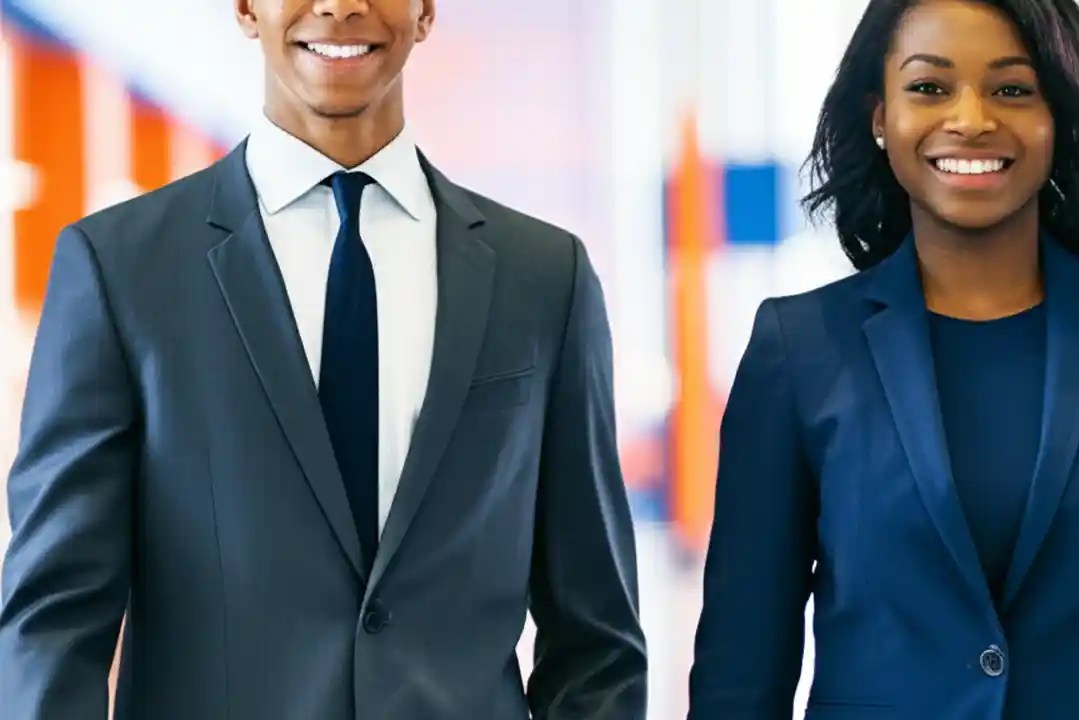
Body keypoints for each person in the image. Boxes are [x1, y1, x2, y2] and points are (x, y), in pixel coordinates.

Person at [0, 0, 646, 717]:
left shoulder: (544, 278)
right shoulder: (119, 270)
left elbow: (596, 639)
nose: (340, 6)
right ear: (247, 8)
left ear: (427, 10)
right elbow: (54, 621)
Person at [688, 0, 1079, 717]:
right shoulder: (799, 350)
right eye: (929, 88)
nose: (970, 118)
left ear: (1058, 115)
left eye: (1011, 89)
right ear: (880, 115)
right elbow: (738, 687)